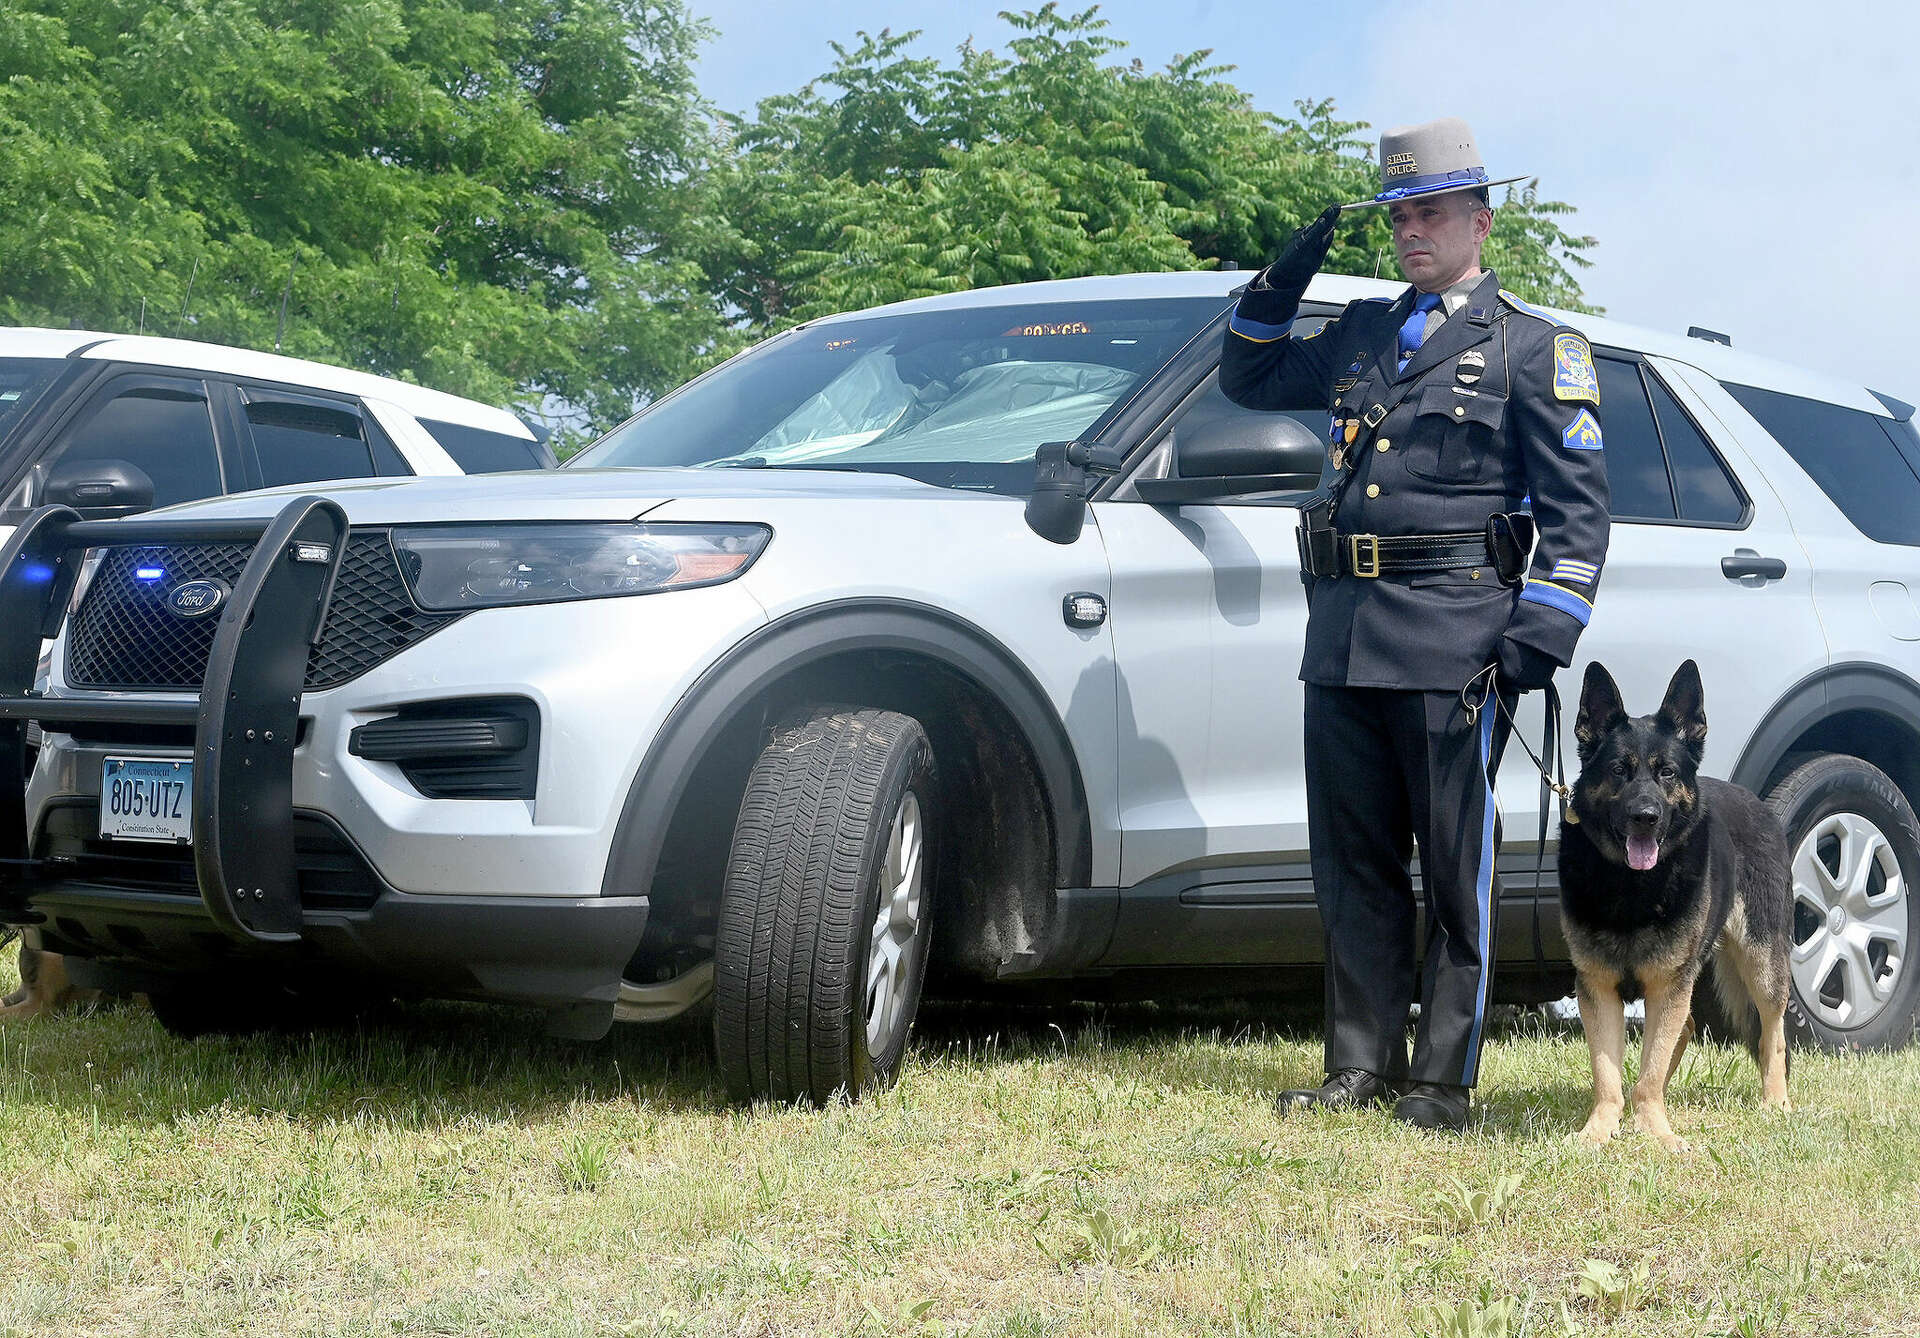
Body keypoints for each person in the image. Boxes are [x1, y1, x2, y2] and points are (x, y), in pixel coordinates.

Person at [1220, 118, 1610, 1132]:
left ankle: (1442, 1079)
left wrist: (1538, 635)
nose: (1412, 231)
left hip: (1456, 642)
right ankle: (1360, 1064)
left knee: (1452, 869)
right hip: (1344, 636)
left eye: (1431, 212)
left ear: (1481, 222)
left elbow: (1578, 518)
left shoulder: (1534, 349)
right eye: (1399, 216)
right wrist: (1283, 277)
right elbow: (1248, 378)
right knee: (1352, 868)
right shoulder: (1361, 332)